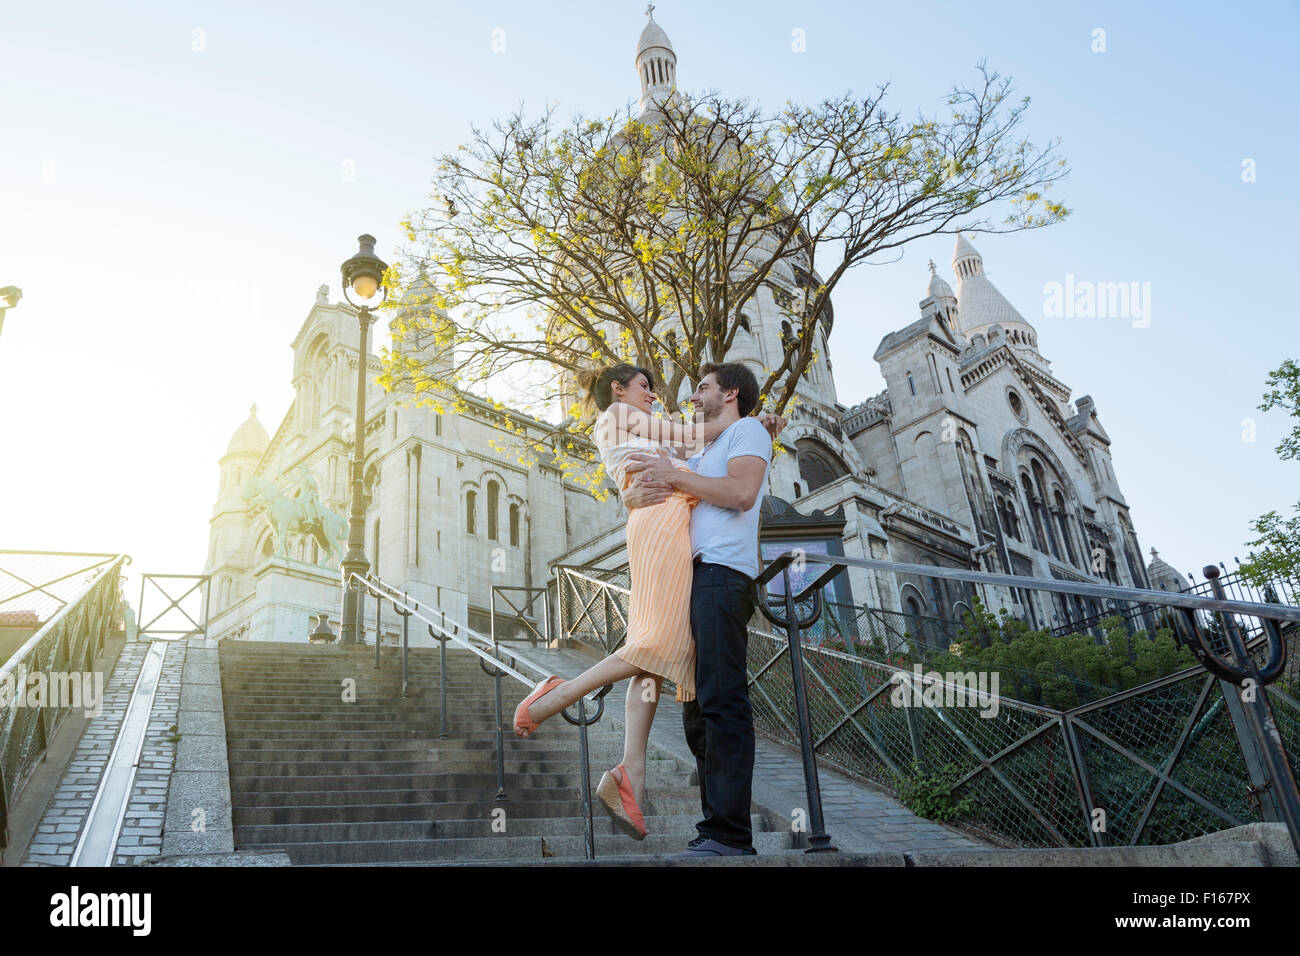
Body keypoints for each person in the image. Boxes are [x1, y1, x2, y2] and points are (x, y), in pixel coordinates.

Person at [511, 362, 782, 841]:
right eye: (644, 386)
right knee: (657, 641)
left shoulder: (654, 429)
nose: (654, 394)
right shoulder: (618, 416)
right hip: (660, 524)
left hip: (674, 523)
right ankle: (559, 693)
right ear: (617, 390)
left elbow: (700, 455)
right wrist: (752, 423)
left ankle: (631, 772)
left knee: (659, 653)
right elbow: (694, 437)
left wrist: (752, 428)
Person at [621, 362, 774, 858]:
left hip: (722, 577)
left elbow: (742, 493)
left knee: (722, 700)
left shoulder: (746, 429)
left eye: (702, 388)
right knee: (697, 710)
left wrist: (676, 479)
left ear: (730, 393)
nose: (693, 396)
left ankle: (730, 834)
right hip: (689, 580)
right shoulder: (706, 446)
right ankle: (714, 829)